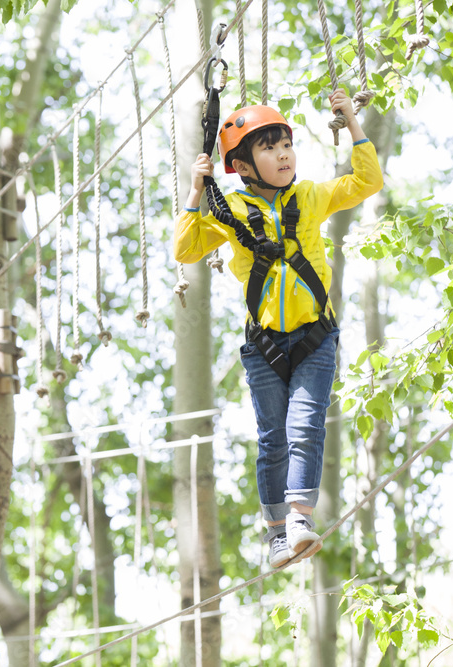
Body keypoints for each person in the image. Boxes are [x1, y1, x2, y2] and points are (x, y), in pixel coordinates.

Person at [175, 89, 383, 568]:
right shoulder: (230, 212)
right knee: (273, 438)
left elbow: (367, 181)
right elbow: (186, 250)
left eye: (285, 144)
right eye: (268, 147)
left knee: (304, 425)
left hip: (315, 337)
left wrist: (351, 120)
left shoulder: (310, 196)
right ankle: (275, 534)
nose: (283, 153)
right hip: (265, 344)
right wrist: (195, 188)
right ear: (243, 167)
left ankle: (298, 518)